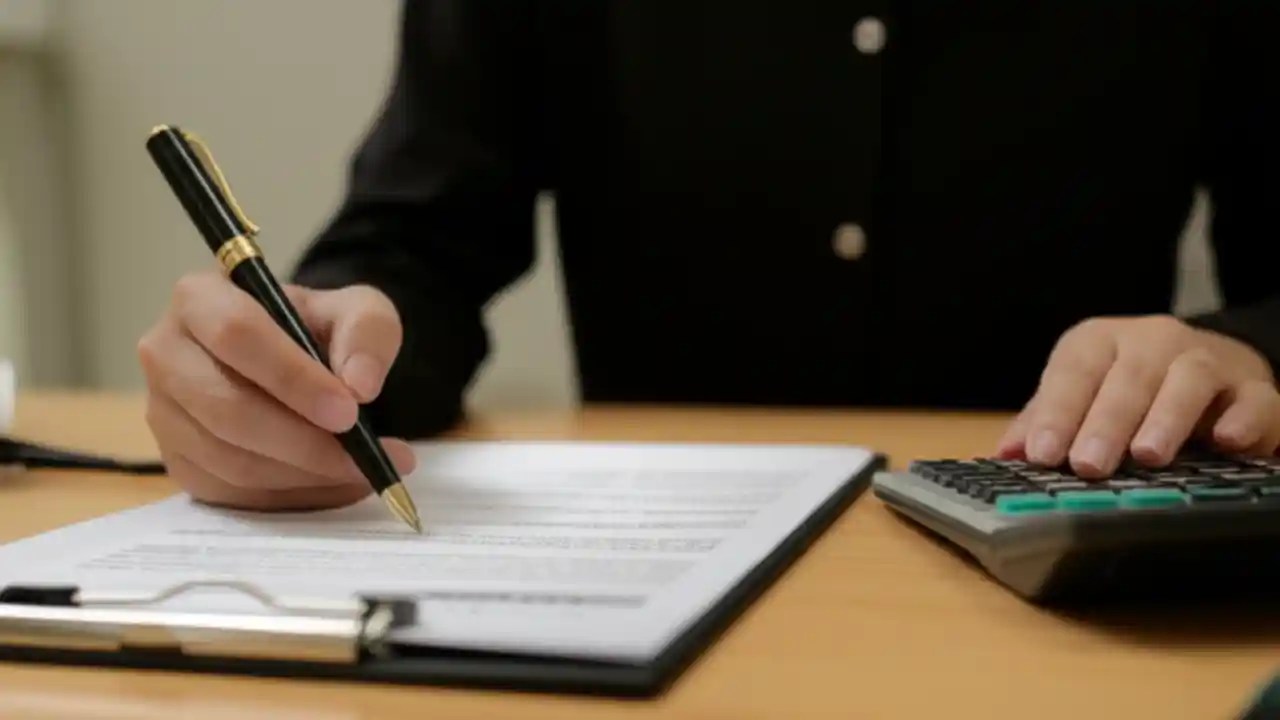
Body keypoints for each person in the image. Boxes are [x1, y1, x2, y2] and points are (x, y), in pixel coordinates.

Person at [138, 1, 1280, 511]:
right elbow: (416, 244)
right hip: (651, 601)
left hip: (1076, 586)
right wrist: (305, 368)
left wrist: (1233, 355)